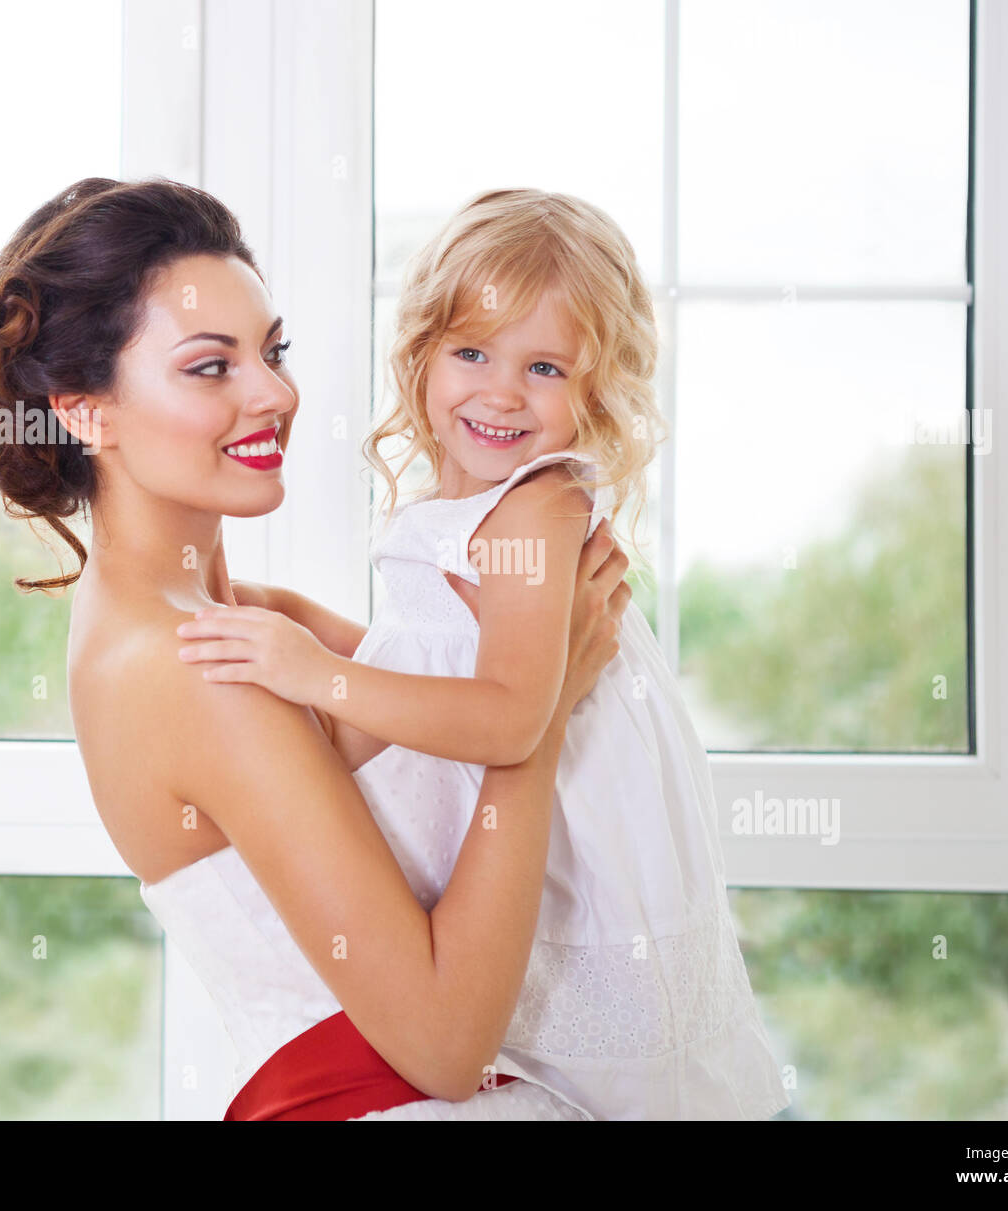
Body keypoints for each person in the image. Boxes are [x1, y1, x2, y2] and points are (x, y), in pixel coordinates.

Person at [0, 177, 631, 1120]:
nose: (276, 393)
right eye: (209, 366)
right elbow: (441, 1046)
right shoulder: (197, 664)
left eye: (273, 351)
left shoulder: (253, 618)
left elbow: (456, 694)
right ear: (86, 410)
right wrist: (539, 721)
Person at [176, 189, 791, 1119]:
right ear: (422, 355)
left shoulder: (538, 507)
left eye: (544, 366)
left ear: (596, 390)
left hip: (580, 869)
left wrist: (314, 672)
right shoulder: (466, 512)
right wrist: (297, 614)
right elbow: (434, 657)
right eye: (471, 352)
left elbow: (507, 714)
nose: (501, 392)